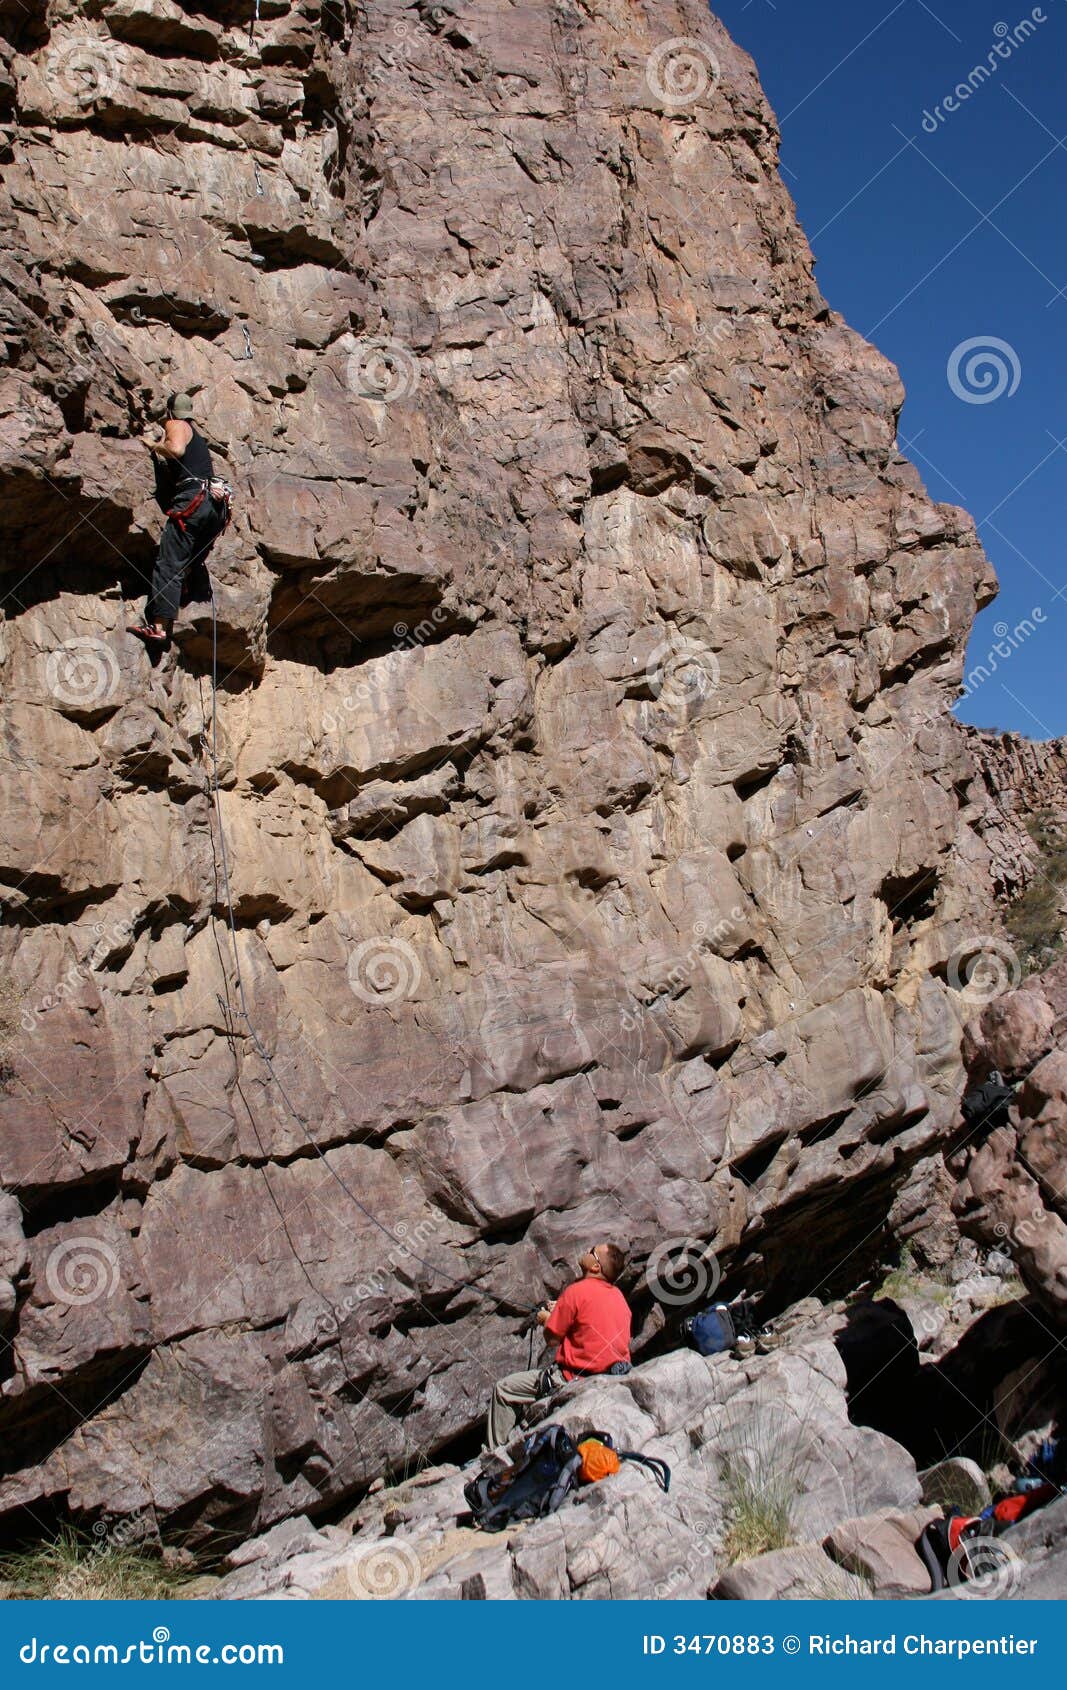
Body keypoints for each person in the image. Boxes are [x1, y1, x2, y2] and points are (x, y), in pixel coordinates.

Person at [485, 1242, 631, 1450]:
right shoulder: (619, 1298)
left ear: (595, 1267)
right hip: (608, 1378)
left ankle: (495, 1455)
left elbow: (552, 1338)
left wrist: (546, 1319)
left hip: (571, 1379)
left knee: (504, 1390)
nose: (587, 1251)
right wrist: (561, 1310)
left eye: (592, 1251)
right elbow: (590, 1327)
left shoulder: (577, 1291)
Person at [129, 394, 228, 646]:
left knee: (169, 562)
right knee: (184, 562)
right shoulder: (199, 439)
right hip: (215, 508)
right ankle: (180, 590)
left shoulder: (176, 424)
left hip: (193, 501)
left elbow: (175, 450)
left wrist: (154, 445)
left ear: (171, 412)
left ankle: (160, 627)